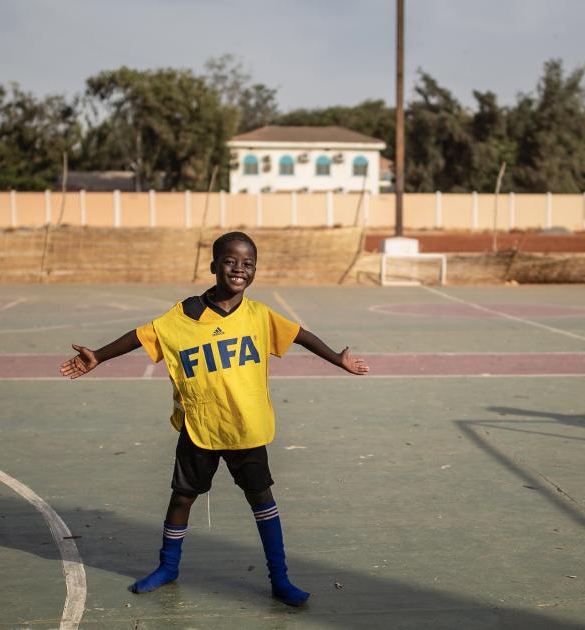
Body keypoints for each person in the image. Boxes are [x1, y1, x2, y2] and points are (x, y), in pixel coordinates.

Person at [59, 231, 369, 606]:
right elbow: (141, 336)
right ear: (213, 266)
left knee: (262, 501)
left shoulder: (259, 316)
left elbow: (300, 335)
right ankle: (167, 567)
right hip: (201, 425)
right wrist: (99, 356)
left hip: (245, 427)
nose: (239, 269)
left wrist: (337, 358)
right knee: (182, 497)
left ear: (255, 271)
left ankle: (280, 578)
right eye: (230, 261)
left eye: (248, 263)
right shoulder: (184, 316)